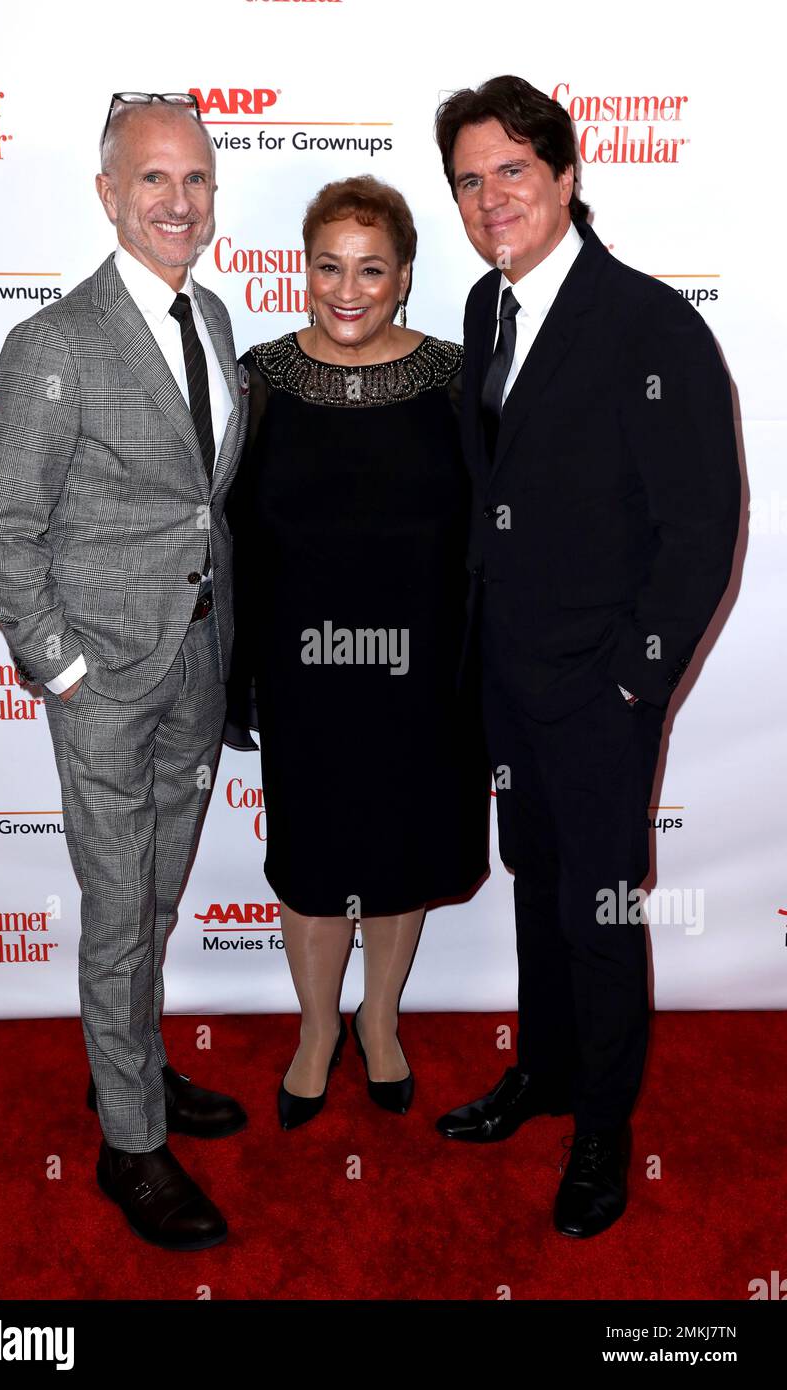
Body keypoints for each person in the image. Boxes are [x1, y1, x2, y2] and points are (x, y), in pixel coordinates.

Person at [432, 76, 740, 1237]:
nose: (490, 197)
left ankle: (604, 1125)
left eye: (513, 170)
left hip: (601, 688)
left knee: (602, 908)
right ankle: (546, 1073)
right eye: (469, 179)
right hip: (508, 675)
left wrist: (632, 678)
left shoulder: (650, 326)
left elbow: (704, 526)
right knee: (539, 889)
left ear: (566, 177)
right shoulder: (481, 307)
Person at [0, 92, 249, 1252]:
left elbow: (200, 500)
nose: (178, 202)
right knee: (118, 912)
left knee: (159, 892)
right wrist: (63, 670)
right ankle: (129, 1143)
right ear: (107, 194)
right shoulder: (55, 342)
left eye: (195, 181)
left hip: (198, 665)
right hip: (105, 683)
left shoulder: (218, 318)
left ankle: (125, 1065)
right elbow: (5, 531)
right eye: (153, 180)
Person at [224, 175, 491, 1130]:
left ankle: (379, 1023)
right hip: (303, 679)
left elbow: (489, 534)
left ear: (404, 275)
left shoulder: (457, 380)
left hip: (421, 683)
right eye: (329, 266)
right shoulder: (258, 379)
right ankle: (315, 1030)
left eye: (371, 269)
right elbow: (224, 531)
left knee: (399, 851)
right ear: (303, 269)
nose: (348, 288)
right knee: (311, 859)